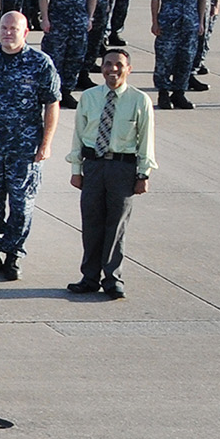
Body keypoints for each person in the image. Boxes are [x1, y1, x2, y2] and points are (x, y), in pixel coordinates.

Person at [0, 11, 61, 282]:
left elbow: (52, 104)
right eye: (4, 27)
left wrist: (46, 143)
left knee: (22, 204)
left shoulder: (40, 63)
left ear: (25, 32)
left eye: (14, 28)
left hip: (25, 148)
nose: (8, 32)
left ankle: (13, 254)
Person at [67, 48, 154, 300]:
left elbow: (145, 140)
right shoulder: (90, 97)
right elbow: (78, 135)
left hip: (122, 168)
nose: (112, 69)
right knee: (91, 223)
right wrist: (76, 169)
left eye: (118, 65)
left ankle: (112, 278)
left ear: (129, 69)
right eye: (107, 64)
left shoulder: (139, 100)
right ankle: (89, 277)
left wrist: (143, 174)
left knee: (116, 225)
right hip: (93, 166)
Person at [148, 0, 209, 110]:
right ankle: (164, 94)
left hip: (189, 24)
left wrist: (201, 21)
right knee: (165, 60)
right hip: (168, 23)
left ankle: (179, 93)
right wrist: (155, 21)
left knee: (186, 59)